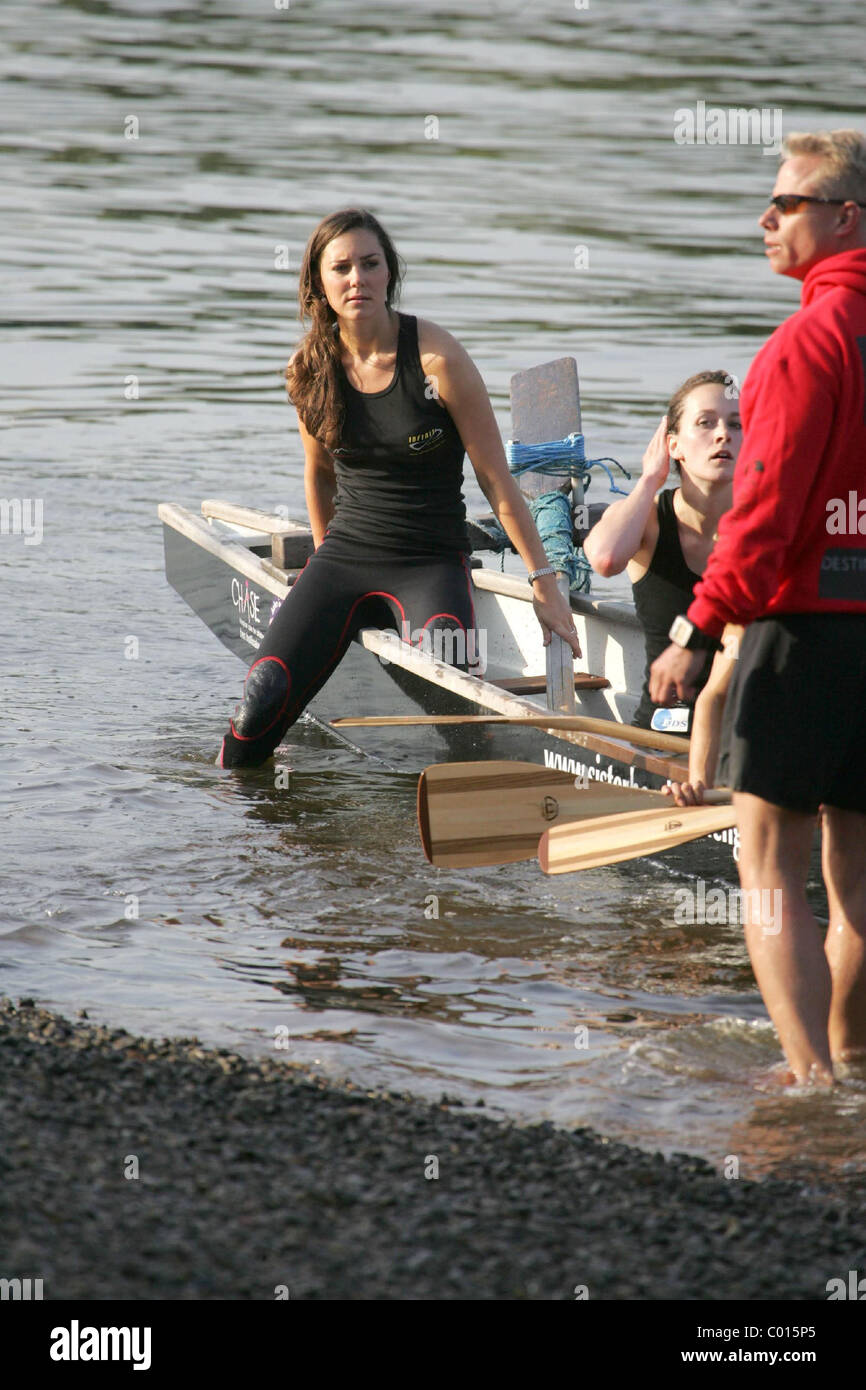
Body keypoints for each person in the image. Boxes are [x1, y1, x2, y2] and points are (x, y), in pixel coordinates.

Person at [650, 129, 866, 1084]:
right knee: (856, 869)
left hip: (806, 630)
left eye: (788, 204)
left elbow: (768, 517)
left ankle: (810, 1081)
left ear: (846, 219)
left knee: (770, 860)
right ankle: (853, 1063)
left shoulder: (800, 346)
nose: (766, 217)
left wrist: (698, 625)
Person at [218, 207, 580, 769]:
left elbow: (494, 477)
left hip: (429, 563)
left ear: (390, 274)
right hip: (344, 557)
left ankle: (479, 786)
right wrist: (321, 571)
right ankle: (238, 823)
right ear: (319, 283)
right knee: (261, 698)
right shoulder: (308, 369)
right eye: (342, 268)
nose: (357, 278)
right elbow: (319, 474)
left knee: (454, 711)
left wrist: (544, 583)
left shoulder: (437, 358)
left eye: (370, 263)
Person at [582, 372, 741, 731]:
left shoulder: (766, 528)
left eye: (737, 424)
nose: (723, 434)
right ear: (673, 446)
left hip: (743, 738)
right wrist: (649, 479)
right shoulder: (650, 520)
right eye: (705, 423)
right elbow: (605, 559)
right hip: (664, 733)